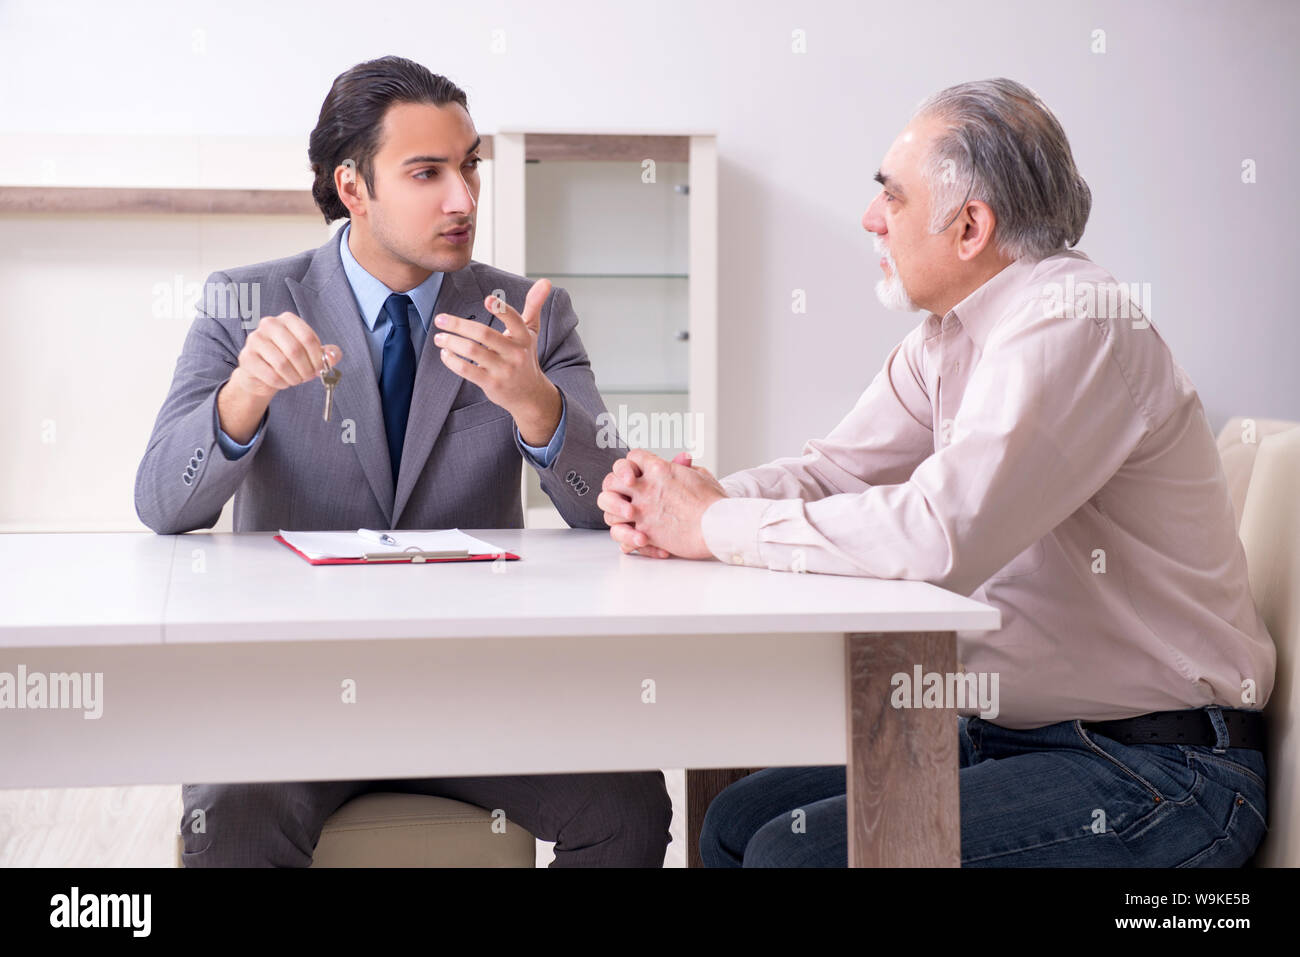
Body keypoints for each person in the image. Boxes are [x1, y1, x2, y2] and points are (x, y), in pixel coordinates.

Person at [598, 78, 1274, 867]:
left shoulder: (1074, 322)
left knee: (794, 857)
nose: (870, 218)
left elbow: (939, 534)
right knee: (734, 820)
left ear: (971, 226)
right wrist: (677, 501)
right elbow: (831, 474)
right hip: (1009, 736)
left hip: (1163, 774)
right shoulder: (948, 337)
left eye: (892, 196)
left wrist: (710, 524)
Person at [136, 55, 670, 867]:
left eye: (469, 167)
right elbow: (161, 503)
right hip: (294, 691)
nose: (462, 199)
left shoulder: (530, 314)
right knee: (231, 820)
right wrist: (241, 398)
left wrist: (537, 404)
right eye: (427, 173)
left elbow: (615, 506)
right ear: (353, 187)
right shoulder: (243, 302)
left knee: (627, 807)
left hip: (475, 690)